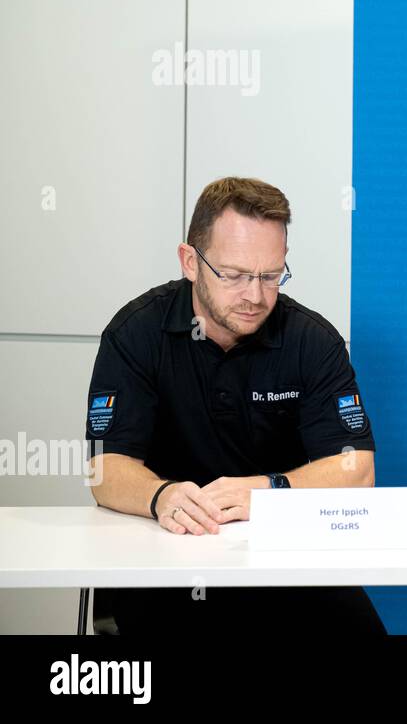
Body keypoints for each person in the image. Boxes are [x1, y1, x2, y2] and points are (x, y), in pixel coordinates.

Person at [86, 177, 384, 634]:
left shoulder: (312, 340)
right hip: (166, 559)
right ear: (190, 261)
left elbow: (357, 470)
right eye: (235, 275)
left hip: (284, 561)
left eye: (270, 275)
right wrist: (161, 496)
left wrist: (268, 491)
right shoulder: (135, 334)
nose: (255, 296)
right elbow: (106, 470)